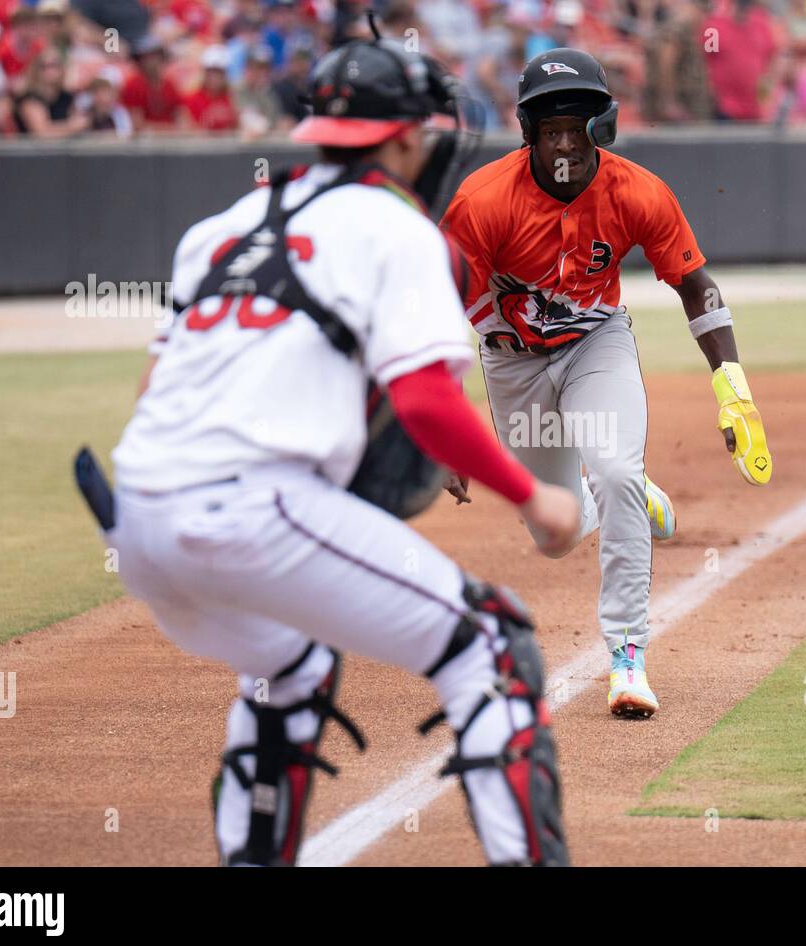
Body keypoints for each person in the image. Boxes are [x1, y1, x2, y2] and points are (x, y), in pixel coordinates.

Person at [106, 35, 575, 867]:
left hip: (136, 518)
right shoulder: (396, 230)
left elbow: (153, 395)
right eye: (423, 133)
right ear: (400, 139)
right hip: (254, 509)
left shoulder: (217, 229)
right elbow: (426, 401)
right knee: (493, 646)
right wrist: (533, 498)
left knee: (289, 664)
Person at [440, 48, 772, 719]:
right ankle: (614, 490)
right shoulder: (482, 203)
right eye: (550, 127)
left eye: (578, 124)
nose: (565, 141)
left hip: (597, 344)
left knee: (616, 470)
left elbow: (694, 283)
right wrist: (443, 432)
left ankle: (628, 658)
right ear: (527, 132)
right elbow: (436, 312)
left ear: (603, 126)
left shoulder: (638, 192)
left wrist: (730, 384)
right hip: (512, 361)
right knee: (553, 535)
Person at [185, 43, 238, 131]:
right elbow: (186, 130)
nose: (215, 77)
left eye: (219, 72)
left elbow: (237, 126)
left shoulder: (231, 98)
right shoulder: (192, 99)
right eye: (211, 72)